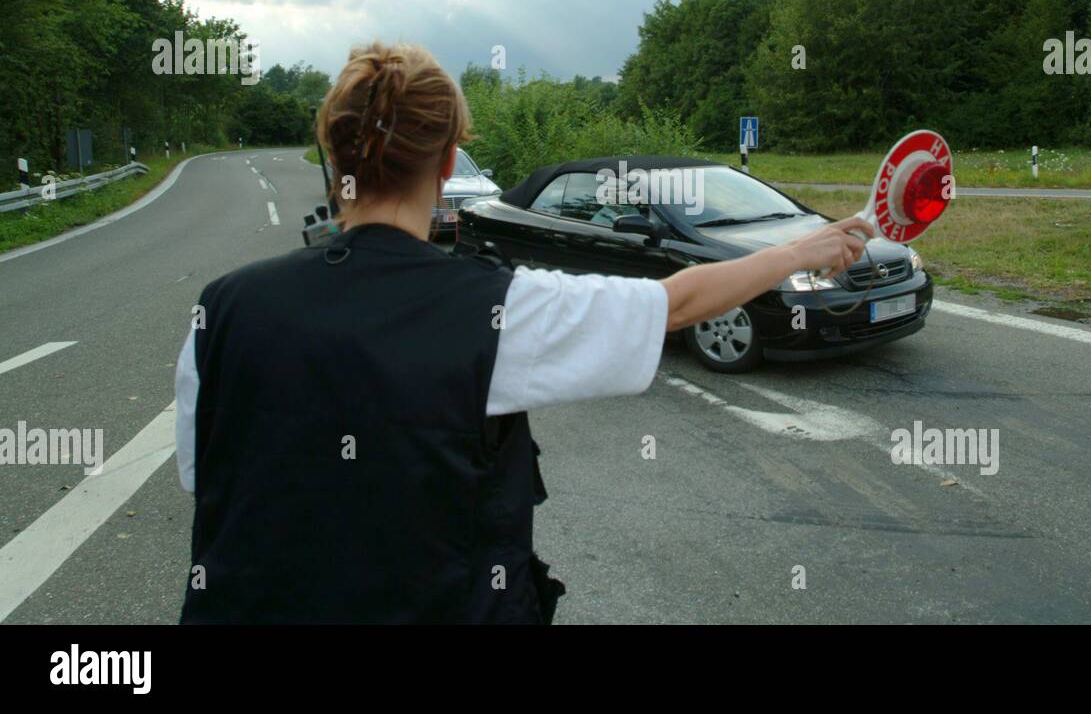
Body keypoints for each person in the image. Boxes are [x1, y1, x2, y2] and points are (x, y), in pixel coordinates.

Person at [173, 41, 870, 624]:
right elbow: (674, 304)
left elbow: (202, 476)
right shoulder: (501, 311)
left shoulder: (221, 310)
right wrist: (802, 250)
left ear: (331, 159)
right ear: (448, 164)